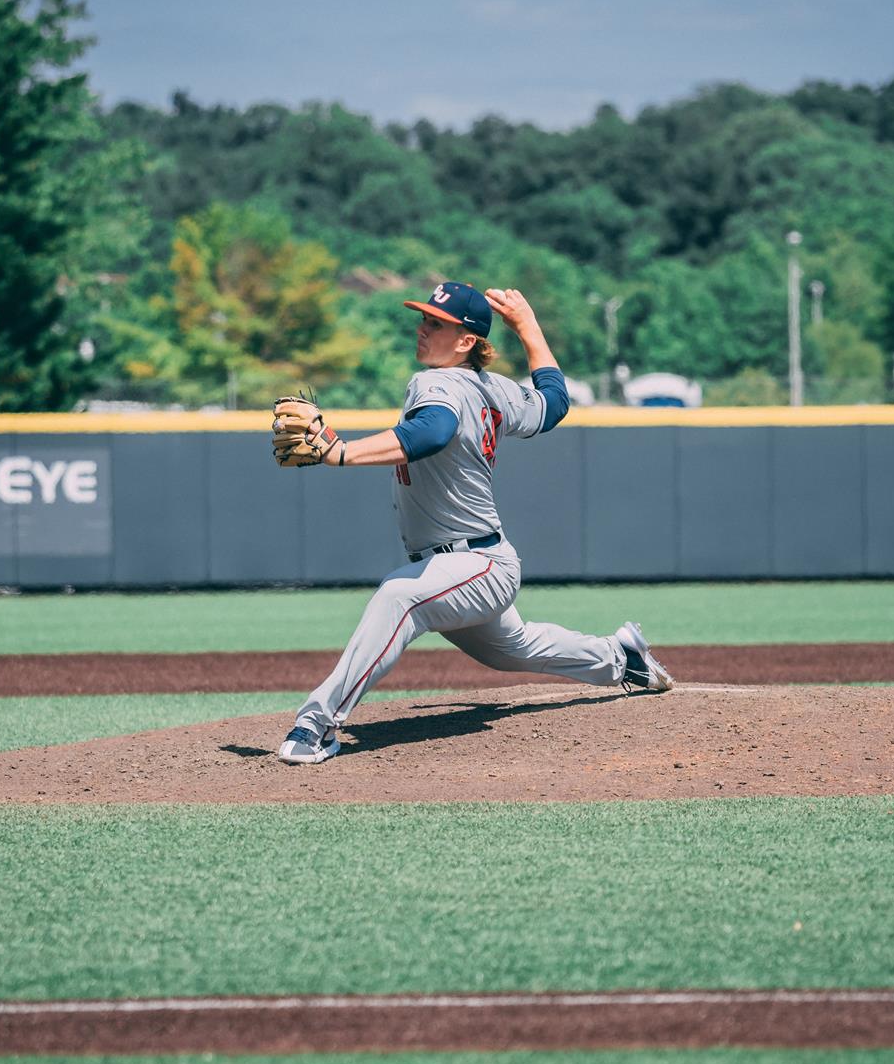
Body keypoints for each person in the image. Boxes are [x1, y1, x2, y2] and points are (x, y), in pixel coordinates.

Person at [271, 281, 674, 765]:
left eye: (436, 324)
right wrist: (528, 327)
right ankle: (621, 657)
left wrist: (340, 453)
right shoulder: (492, 387)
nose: (422, 330)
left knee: (399, 597)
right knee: (513, 649)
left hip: (474, 561)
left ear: (465, 341)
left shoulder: (435, 382)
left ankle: (316, 724)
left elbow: (434, 430)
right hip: (469, 564)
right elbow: (553, 404)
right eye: (422, 319)